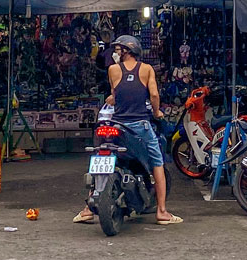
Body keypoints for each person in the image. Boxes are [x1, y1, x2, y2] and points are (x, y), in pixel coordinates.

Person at [75, 34, 182, 226]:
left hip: (116, 125)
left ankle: (86, 210)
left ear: (127, 51)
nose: (116, 53)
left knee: (102, 158)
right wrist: (157, 112)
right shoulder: (147, 69)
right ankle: (162, 211)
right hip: (140, 125)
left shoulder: (113, 70)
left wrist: (111, 100)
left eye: (118, 50)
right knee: (157, 161)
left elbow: (117, 94)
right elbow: (154, 94)